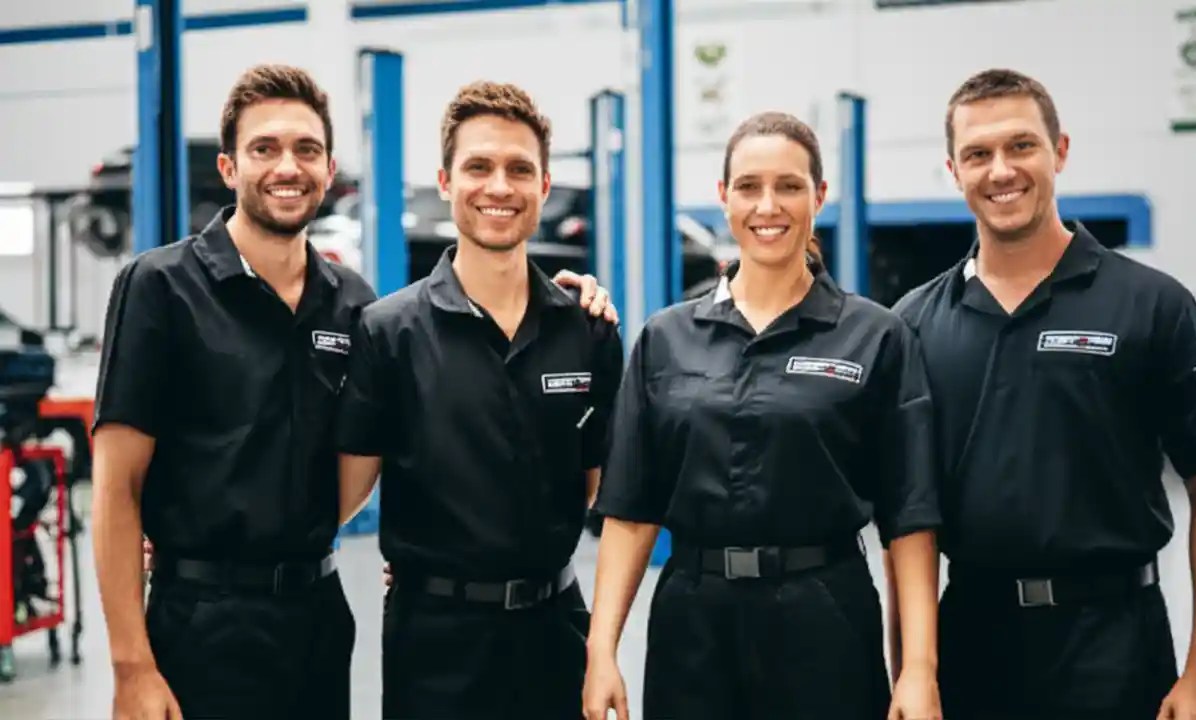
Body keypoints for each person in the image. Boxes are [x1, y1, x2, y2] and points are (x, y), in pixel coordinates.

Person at [98, 66, 615, 720]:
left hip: (318, 616)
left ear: (329, 167)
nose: (288, 166)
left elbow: (353, 470)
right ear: (229, 167)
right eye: (265, 149)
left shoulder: (351, 306)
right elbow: (115, 487)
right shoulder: (160, 288)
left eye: (306, 150)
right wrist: (131, 661)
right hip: (199, 621)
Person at [889, 67, 1196, 720]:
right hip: (972, 642)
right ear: (953, 171)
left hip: (1114, 644)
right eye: (977, 154)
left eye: (1021, 145)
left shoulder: (1151, 305)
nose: (1001, 169)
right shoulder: (914, 324)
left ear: (1059, 151)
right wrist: (910, 673)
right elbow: (907, 519)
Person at [582, 111, 944, 720]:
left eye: (789, 186)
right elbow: (631, 512)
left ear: (819, 196)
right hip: (692, 627)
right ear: (724, 198)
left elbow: (909, 520)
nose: (767, 206)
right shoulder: (666, 338)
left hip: (824, 619)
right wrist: (601, 651)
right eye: (748, 186)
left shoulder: (876, 336)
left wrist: (918, 670)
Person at [335, 80, 625, 720]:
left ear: (544, 187)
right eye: (478, 167)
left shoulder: (588, 330)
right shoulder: (389, 332)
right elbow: (343, 492)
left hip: (556, 634)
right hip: (434, 644)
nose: (500, 186)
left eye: (520, 169)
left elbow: (598, 484)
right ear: (445, 181)